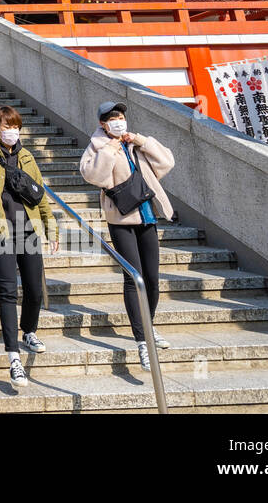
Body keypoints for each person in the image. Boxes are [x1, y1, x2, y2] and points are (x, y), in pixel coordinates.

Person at [0, 105, 58, 390]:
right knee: (7, 292)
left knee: (34, 289)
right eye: (7, 127)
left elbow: (40, 194)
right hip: (1, 231)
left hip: (28, 229)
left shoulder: (27, 156)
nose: (12, 131)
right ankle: (13, 356)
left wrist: (50, 227)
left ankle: (29, 330)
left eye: (16, 126)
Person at [79, 101, 175, 371]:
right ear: (102, 123)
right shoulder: (97, 147)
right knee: (135, 278)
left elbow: (167, 162)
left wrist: (141, 140)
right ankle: (142, 342)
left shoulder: (134, 143)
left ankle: (149, 325)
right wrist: (110, 148)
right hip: (120, 219)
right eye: (111, 118)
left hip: (147, 215)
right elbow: (94, 176)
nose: (118, 121)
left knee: (153, 279)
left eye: (120, 116)